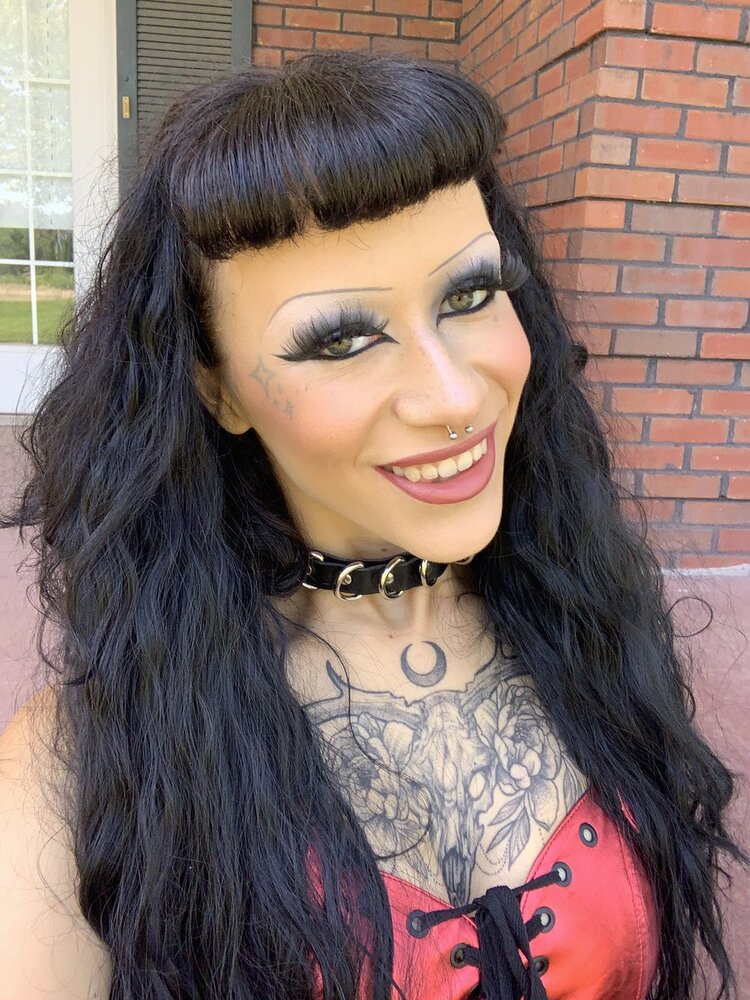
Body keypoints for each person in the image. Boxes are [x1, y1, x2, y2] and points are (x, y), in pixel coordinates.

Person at [0, 48, 745, 1000]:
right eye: (343, 339)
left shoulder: (588, 630)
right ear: (217, 388)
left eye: (470, 295)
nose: (454, 397)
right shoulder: (87, 765)